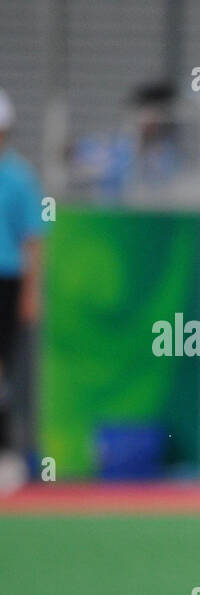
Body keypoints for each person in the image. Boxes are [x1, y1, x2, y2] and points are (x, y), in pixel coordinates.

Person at [0, 88, 45, 466]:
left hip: (9, 282)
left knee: (17, 372)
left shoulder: (19, 176)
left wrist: (32, 293)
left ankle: (15, 455)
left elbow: (33, 239)